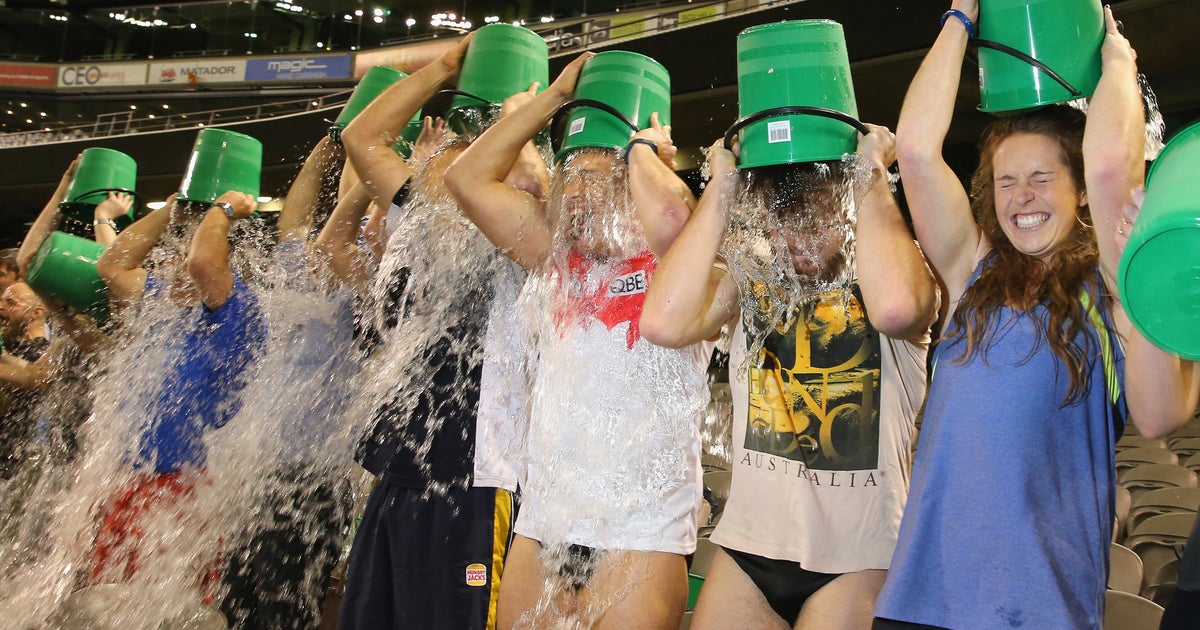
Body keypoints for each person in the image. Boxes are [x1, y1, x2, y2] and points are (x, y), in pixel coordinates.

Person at [871, 4, 1200, 629]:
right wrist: (959, 19)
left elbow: (1108, 165)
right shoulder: (969, 272)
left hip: (1038, 610)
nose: (1022, 196)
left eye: (1043, 178)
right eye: (1006, 181)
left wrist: (1115, 56)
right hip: (918, 603)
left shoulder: (1110, 292)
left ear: (1077, 192)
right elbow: (914, 148)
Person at [636, 115, 936, 628]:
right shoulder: (751, 281)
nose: (797, 241)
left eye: (817, 221)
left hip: (859, 555)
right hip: (749, 547)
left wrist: (869, 174)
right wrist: (721, 188)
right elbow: (663, 323)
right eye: (783, 224)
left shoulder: (890, 278)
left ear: (846, 215)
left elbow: (902, 310)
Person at [446, 52, 712, 629]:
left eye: (603, 177)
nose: (584, 194)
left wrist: (643, 155)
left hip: (641, 534)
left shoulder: (682, 260)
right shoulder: (553, 255)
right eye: (575, 176)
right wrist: (553, 101)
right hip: (544, 527)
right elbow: (464, 179)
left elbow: (671, 210)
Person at [334, 34, 537, 630]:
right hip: (399, 470)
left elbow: (532, 185)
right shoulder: (417, 215)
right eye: (443, 153)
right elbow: (362, 138)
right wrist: (443, 68)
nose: (445, 164)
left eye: (465, 155)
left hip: (478, 479)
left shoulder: (521, 231)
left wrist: (523, 124)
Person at [91, 190, 264, 592]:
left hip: (176, 490)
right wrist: (172, 209)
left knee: (161, 607)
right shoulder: (169, 306)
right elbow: (113, 264)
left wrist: (222, 210)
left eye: (180, 258)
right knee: (109, 604)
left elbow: (203, 261)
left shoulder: (237, 311)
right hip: (130, 483)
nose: (172, 266)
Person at [217, 136, 355, 629]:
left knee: (284, 612)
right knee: (237, 602)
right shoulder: (300, 266)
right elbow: (292, 221)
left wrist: (362, 169)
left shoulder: (363, 278)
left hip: (317, 478)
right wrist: (322, 155)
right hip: (265, 468)